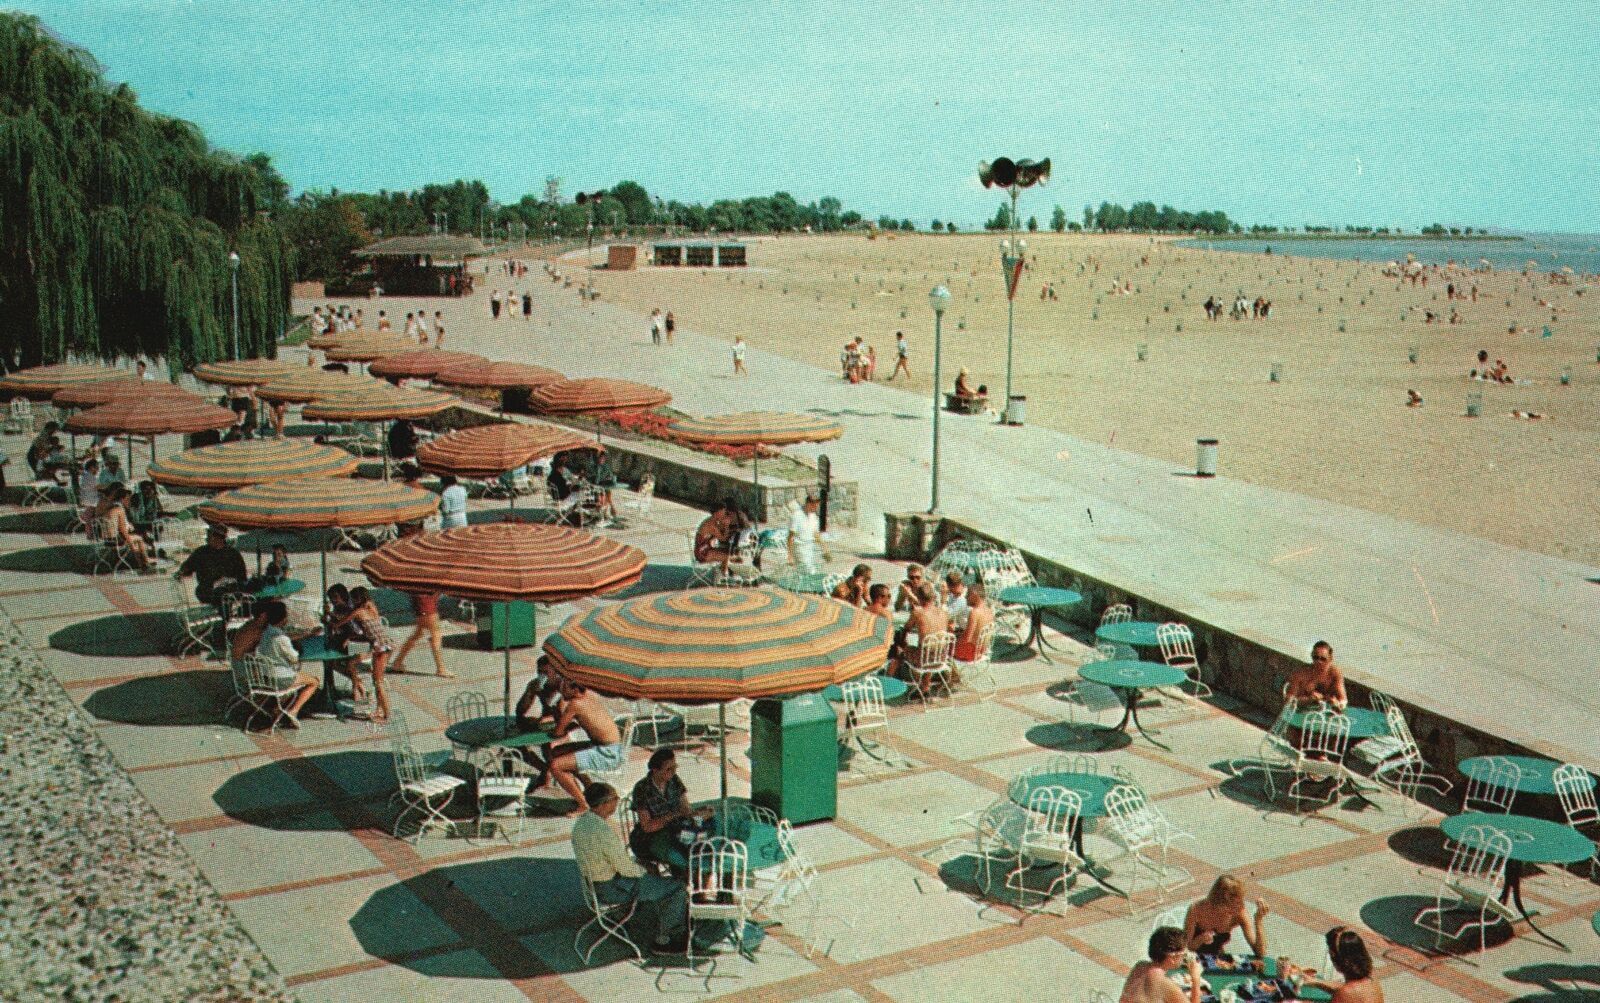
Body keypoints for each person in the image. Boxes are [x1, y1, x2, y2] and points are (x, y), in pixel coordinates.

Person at [571, 781, 690, 954]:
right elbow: (625, 868)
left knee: (653, 877)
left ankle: (663, 917)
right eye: (614, 799)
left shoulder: (581, 824)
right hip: (612, 888)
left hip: (595, 886)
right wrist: (642, 870)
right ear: (604, 804)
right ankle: (667, 940)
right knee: (676, 887)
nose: (617, 801)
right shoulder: (601, 831)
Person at [539, 676, 623, 815]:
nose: (561, 690)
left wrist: (553, 707)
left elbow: (558, 733)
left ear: (575, 689)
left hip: (607, 753)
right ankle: (589, 789)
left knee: (556, 766)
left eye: (564, 687)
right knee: (558, 751)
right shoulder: (588, 696)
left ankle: (583, 804)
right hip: (610, 747)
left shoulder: (575, 705)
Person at [629, 748, 714, 867]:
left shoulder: (674, 780)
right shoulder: (642, 788)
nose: (673, 772)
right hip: (649, 838)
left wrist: (698, 813)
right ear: (655, 770)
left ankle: (692, 877)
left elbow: (685, 809)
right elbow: (648, 827)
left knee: (701, 847)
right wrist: (675, 815)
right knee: (682, 857)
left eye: (675, 767)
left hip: (675, 830)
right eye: (669, 769)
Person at [253, 600, 321, 727]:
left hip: (266, 677)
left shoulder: (266, 632)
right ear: (283, 618)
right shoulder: (282, 639)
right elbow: (294, 658)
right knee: (314, 681)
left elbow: (284, 638)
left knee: (294, 679)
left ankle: (278, 709)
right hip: (280, 678)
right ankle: (294, 710)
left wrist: (306, 634)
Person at [328, 586, 392, 723]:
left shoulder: (358, 611)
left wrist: (331, 619)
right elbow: (369, 630)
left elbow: (340, 623)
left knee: (378, 682)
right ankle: (379, 710)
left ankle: (386, 715)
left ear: (357, 599)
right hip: (386, 644)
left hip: (379, 647)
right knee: (377, 679)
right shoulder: (371, 607)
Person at [1182, 875, 1269, 956]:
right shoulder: (1196, 909)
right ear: (1216, 904)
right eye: (1230, 907)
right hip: (1192, 957)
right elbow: (1185, 948)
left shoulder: (1239, 912)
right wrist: (1201, 939)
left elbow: (1260, 953)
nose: (1235, 910)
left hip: (1216, 958)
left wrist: (1258, 921)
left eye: (1238, 903)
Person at [1119, 926, 1202, 1003]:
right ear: (1172, 958)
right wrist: (1196, 978)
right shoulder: (1166, 985)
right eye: (1184, 954)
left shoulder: (1139, 966)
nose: (1185, 957)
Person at [1299, 927, 1383, 1002]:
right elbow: (1347, 988)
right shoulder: (1371, 978)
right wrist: (1314, 981)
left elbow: (1345, 992)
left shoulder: (1344, 993)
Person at [178, 525, 248, 608]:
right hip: (207, 589)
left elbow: (242, 576)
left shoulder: (233, 553)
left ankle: (224, 613)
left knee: (223, 594)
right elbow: (188, 567)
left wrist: (227, 581)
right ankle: (222, 613)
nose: (212, 539)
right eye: (211, 535)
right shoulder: (201, 552)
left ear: (222, 538)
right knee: (207, 593)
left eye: (217, 536)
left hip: (229, 588)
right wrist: (182, 572)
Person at [389, 589, 450, 678]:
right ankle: (441, 669)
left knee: (418, 633)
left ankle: (397, 662)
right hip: (426, 604)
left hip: (422, 603)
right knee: (435, 635)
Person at [896, 582, 949, 681]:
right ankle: (925, 685)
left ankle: (894, 679)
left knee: (900, 650)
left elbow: (906, 629)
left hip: (922, 661)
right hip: (941, 658)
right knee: (929, 648)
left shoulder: (918, 613)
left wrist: (903, 644)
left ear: (919, 597)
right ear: (933, 597)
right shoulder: (944, 612)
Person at [1285, 641, 1348, 708]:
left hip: (1324, 712)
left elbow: (1343, 700)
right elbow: (1288, 700)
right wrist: (1309, 699)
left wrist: (1337, 704)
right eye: (1316, 658)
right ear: (1312, 656)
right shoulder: (1301, 673)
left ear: (1330, 659)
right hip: (1301, 710)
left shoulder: (1335, 674)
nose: (1319, 662)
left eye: (1323, 659)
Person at [693, 499, 742, 570]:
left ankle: (722, 573)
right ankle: (724, 575)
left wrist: (724, 524)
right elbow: (723, 538)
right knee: (732, 557)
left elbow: (719, 531)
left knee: (729, 552)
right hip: (703, 553)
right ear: (717, 513)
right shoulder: (711, 525)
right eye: (723, 512)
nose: (724, 514)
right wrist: (726, 525)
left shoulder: (712, 520)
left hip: (705, 549)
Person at [954, 581, 994, 662]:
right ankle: (954, 673)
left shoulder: (974, 612)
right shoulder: (989, 611)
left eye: (968, 595)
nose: (965, 597)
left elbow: (967, 639)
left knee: (943, 647)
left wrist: (956, 640)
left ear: (974, 595)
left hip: (971, 653)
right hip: (982, 650)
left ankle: (950, 674)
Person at [787, 494, 826, 568]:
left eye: (817, 506)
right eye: (814, 506)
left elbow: (816, 534)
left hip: (810, 548)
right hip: (800, 549)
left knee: (811, 571)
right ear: (808, 504)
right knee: (806, 572)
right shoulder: (797, 516)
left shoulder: (813, 516)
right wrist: (790, 556)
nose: (815, 508)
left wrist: (825, 549)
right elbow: (790, 537)